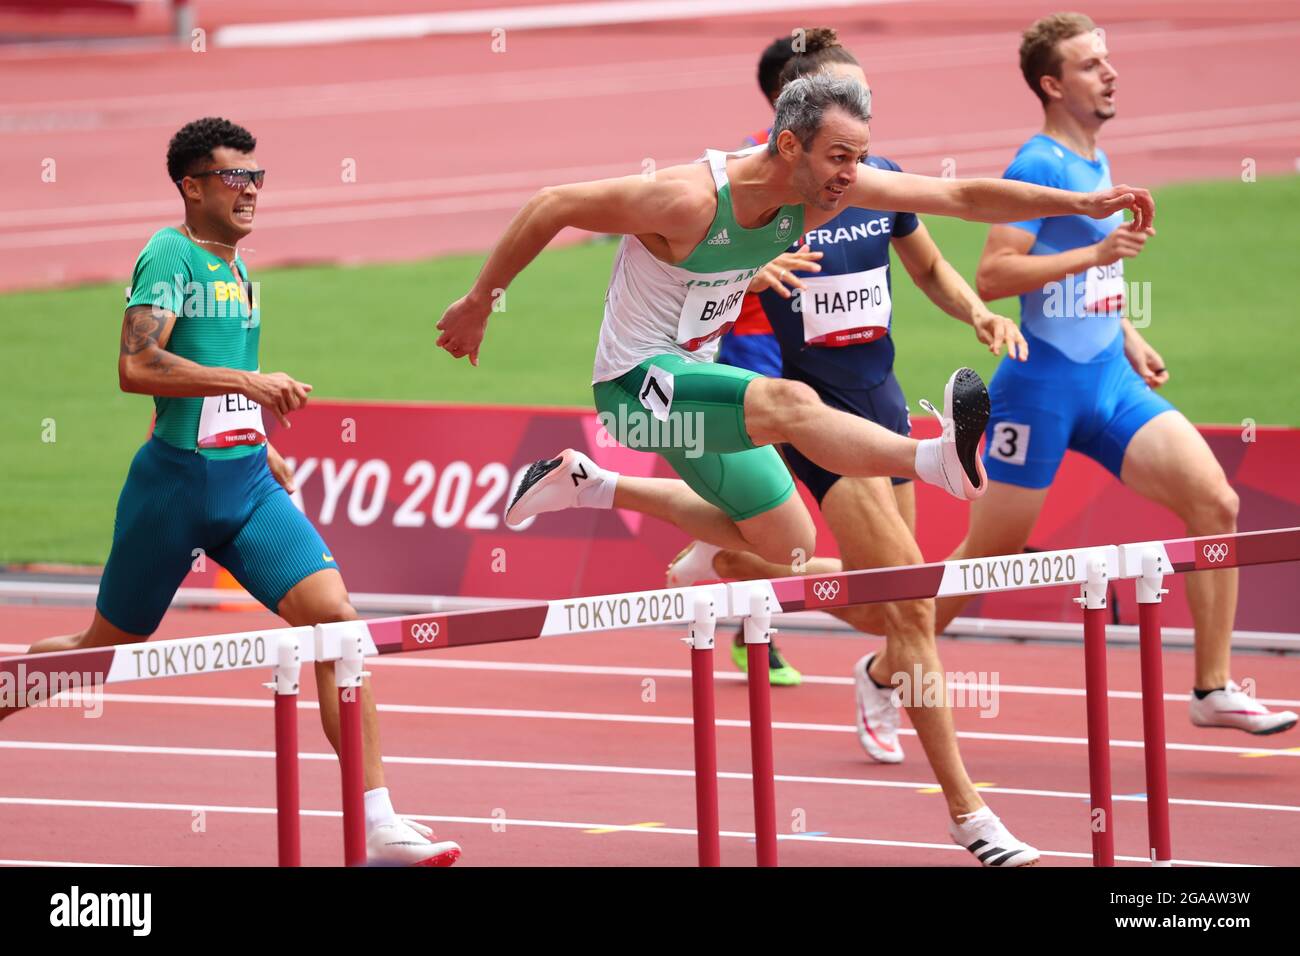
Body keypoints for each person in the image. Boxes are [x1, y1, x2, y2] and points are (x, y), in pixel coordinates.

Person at [437, 74, 1153, 592]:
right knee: (791, 404)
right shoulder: (685, 199)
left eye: (860, 156)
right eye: (839, 157)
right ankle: (936, 459)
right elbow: (552, 203)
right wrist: (478, 302)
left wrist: (1079, 201)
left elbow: (961, 197)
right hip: (633, 389)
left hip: (688, 394)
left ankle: (591, 485)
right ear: (789, 146)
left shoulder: (823, 188)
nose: (853, 175)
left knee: (790, 546)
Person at [0, 118, 463, 866]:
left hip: (245, 485)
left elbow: (220, 381)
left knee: (337, 626)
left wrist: (261, 439)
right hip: (173, 487)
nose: (250, 192)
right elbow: (138, 366)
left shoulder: (240, 268)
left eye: (257, 177)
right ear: (192, 185)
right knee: (101, 651)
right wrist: (249, 381)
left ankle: (380, 824)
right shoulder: (169, 254)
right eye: (233, 178)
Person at [669, 28, 1042, 866]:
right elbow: (679, 277)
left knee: (894, 612)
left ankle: (786, 603)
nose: (866, 120)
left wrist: (975, 313)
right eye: (849, 104)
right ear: (796, 113)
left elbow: (930, 267)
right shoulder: (758, 203)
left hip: (881, 404)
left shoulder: (875, 182)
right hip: (816, 420)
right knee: (912, 605)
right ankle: (969, 814)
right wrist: (738, 284)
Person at [930, 13, 1296, 736]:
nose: (1110, 71)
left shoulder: (1095, 157)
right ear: (1052, 84)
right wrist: (1096, 260)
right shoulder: (1036, 166)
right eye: (1090, 64)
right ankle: (885, 672)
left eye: (1107, 59)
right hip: (1037, 392)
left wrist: (1127, 333)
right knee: (988, 555)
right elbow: (996, 275)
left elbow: (1087, 264)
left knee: (1215, 504)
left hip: (1107, 381)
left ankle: (1213, 688)